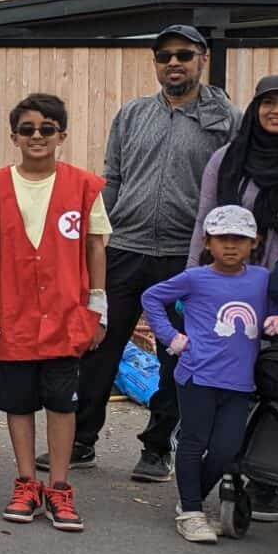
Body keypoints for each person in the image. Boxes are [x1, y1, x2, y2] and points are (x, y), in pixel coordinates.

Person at [73, 26, 236, 483]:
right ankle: (82, 440)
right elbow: (114, 177)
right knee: (101, 346)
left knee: (177, 354)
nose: (174, 63)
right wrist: (102, 236)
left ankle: (157, 448)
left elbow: (232, 183)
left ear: (202, 57)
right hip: (126, 248)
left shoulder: (224, 118)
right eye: (164, 56)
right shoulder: (131, 114)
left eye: (184, 54)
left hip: (186, 257)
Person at [0, 93, 108, 533]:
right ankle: (26, 481)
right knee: (18, 401)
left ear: (61, 135)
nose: (37, 136)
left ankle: (60, 486)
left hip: (66, 313)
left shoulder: (84, 186)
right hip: (13, 313)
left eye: (46, 129)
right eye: (27, 129)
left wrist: (98, 304)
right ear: (14, 136)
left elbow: (95, 244)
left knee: (62, 402)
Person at [185, 73, 278, 524]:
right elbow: (205, 223)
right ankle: (238, 472)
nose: (277, 111)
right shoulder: (228, 158)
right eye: (268, 102)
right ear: (256, 108)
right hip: (229, 290)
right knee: (239, 384)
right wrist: (192, 289)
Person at [143, 205, 278, 543]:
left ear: (255, 243)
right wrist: (172, 337)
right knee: (195, 442)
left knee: (226, 448)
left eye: (239, 239)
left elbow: (274, 309)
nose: (231, 246)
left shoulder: (262, 279)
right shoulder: (195, 277)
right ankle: (192, 511)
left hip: (240, 381)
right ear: (207, 242)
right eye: (222, 238)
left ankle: (189, 499)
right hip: (197, 375)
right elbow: (152, 297)